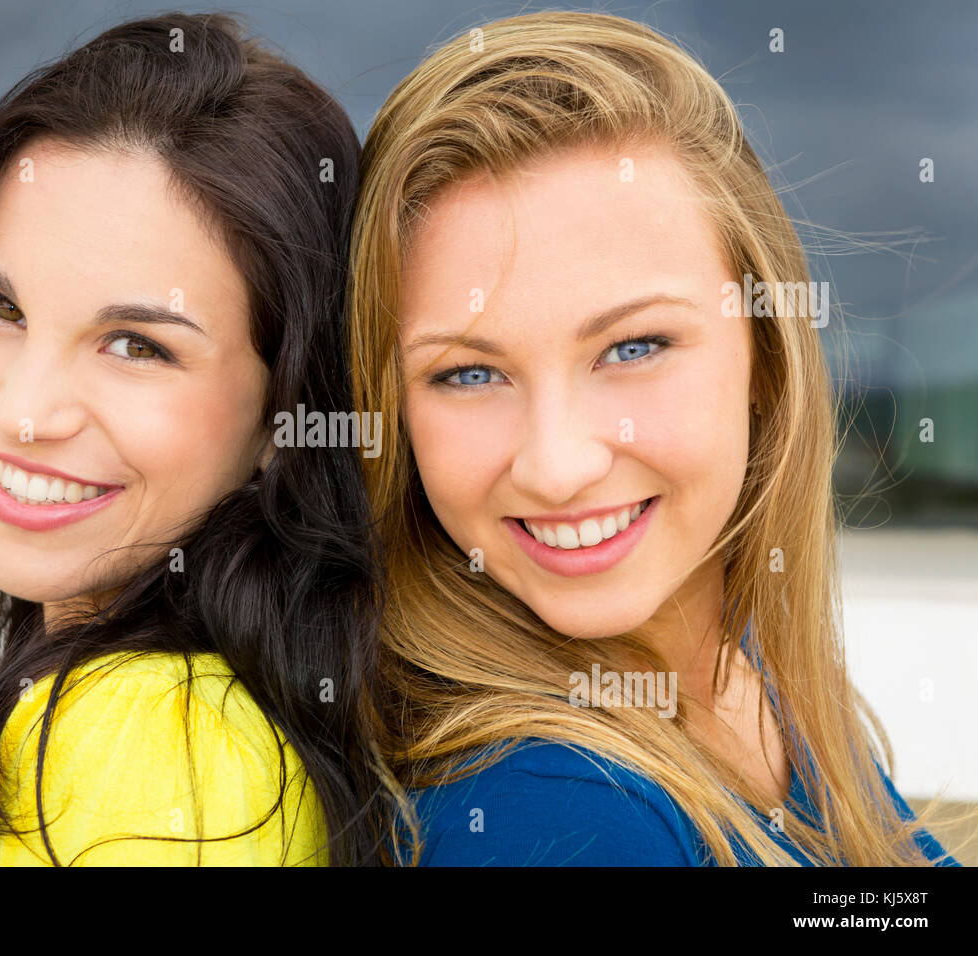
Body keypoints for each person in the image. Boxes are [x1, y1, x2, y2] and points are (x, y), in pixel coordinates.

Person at [347, 11, 960, 865]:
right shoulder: (551, 815)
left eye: (633, 348)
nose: (557, 467)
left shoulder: (741, 673)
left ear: (766, 357)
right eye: (469, 374)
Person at [0, 12, 396, 866]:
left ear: (284, 413)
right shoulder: (204, 706)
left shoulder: (149, 749)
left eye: (137, 345)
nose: (23, 412)